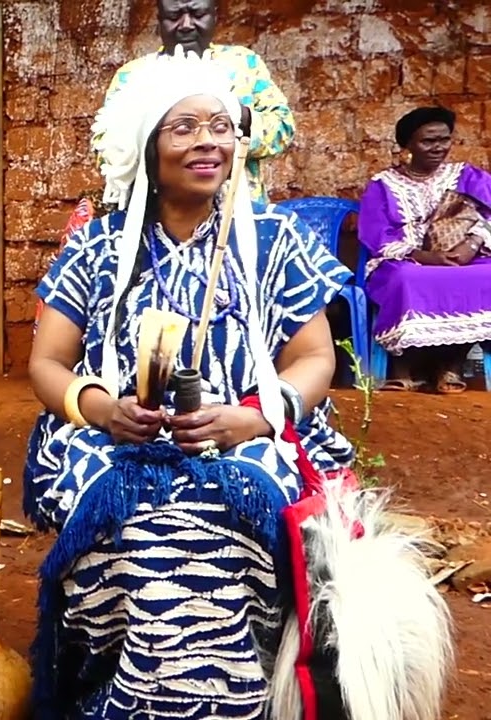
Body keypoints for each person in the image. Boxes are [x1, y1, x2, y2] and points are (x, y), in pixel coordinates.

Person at [23, 49, 450, 720]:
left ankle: (209, 696)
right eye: (184, 127)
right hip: (110, 440)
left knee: (220, 524)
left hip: (252, 432)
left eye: (220, 126)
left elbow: (313, 360)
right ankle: (124, 687)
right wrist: (102, 409)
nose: (208, 142)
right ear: (148, 145)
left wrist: (250, 419)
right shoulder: (98, 246)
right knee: (128, 523)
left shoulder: (274, 240)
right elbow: (47, 363)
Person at [100, 0, 295, 203]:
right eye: (174, 17)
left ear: (214, 16)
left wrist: (237, 119)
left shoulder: (244, 64)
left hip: (238, 211)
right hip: (158, 213)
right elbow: (104, 145)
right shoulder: (133, 76)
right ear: (159, 21)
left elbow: (284, 128)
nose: (186, 25)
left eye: (197, 14)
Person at [360, 106, 491, 394]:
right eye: (427, 141)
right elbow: (377, 233)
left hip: (463, 256)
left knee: (485, 276)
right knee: (406, 279)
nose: (438, 148)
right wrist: (424, 256)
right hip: (405, 258)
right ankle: (403, 368)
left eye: (444, 140)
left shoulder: (467, 176)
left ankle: (451, 365)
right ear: (408, 145)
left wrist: (472, 244)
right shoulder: (383, 184)